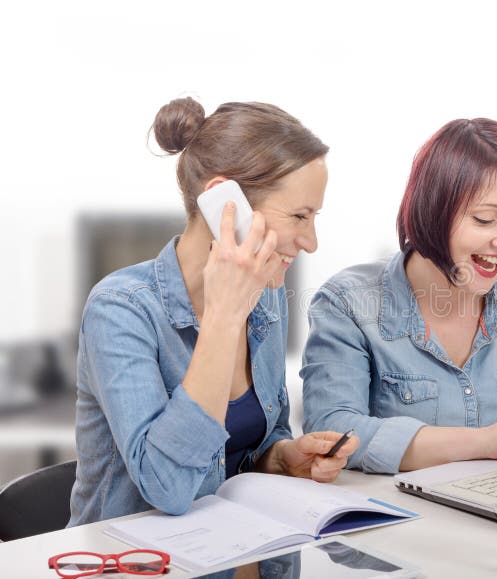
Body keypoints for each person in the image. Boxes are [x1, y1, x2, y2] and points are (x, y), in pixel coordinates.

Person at [68, 97, 358, 526]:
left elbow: (251, 443)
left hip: (243, 552)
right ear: (225, 203)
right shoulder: (121, 310)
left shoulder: (267, 296)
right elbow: (167, 486)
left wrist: (279, 458)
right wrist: (223, 315)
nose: (310, 241)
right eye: (299, 215)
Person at [301, 118, 497, 474]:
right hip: (407, 520)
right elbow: (333, 428)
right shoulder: (349, 304)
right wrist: (487, 442)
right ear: (432, 209)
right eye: (484, 219)